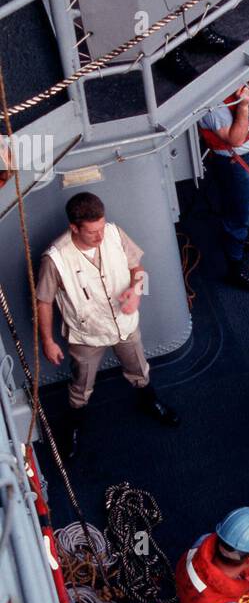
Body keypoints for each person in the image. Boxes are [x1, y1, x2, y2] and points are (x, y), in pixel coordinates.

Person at [37, 191, 179, 460]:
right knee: (81, 385)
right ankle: (74, 428)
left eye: (102, 228)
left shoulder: (113, 233)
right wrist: (48, 340)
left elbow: (138, 269)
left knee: (139, 368)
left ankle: (151, 402)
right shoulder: (54, 259)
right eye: (92, 232)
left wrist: (137, 293)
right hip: (86, 334)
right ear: (74, 227)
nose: (100, 237)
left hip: (124, 324)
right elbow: (43, 301)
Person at [198, 71, 249, 289]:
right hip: (235, 162)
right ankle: (235, 266)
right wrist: (243, 106)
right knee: (237, 216)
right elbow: (235, 139)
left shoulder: (243, 77)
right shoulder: (212, 102)